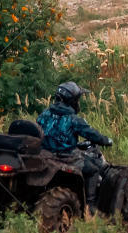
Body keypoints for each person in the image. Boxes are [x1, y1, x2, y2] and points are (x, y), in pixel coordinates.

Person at [37, 81, 113, 210]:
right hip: (66, 157)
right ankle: (90, 205)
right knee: (93, 169)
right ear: (72, 101)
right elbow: (91, 134)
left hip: (45, 154)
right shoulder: (73, 119)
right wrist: (106, 140)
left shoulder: (44, 114)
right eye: (78, 99)